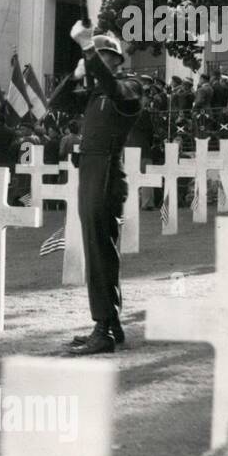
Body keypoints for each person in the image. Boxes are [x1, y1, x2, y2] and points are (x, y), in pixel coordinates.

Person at [66, 24, 143, 355]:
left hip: (107, 175)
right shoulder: (95, 95)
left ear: (114, 59)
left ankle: (104, 328)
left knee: (100, 253)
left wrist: (87, 49)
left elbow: (115, 88)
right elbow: (56, 104)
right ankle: (110, 324)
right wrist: (76, 73)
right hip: (91, 173)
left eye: (99, 56)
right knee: (98, 251)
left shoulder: (129, 87)